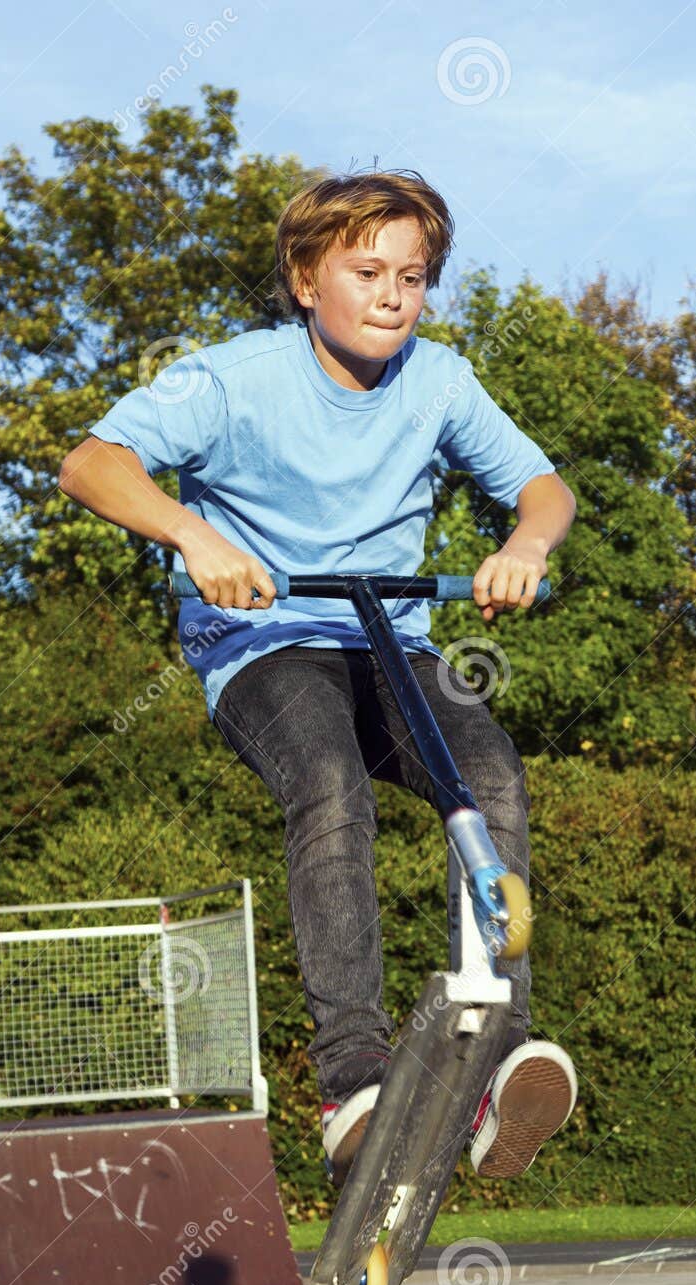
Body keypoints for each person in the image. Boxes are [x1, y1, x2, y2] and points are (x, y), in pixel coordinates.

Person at [60, 169, 578, 1189]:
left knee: (493, 778)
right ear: (307, 280)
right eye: (368, 271)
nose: (394, 295)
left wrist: (526, 542)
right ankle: (354, 1080)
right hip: (261, 645)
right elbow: (92, 462)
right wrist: (190, 533)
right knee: (332, 786)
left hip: (391, 642)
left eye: (414, 277)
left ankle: (493, 1062)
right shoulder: (231, 378)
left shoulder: (439, 381)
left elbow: (543, 486)